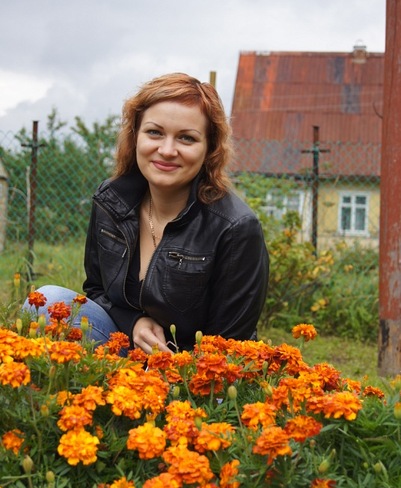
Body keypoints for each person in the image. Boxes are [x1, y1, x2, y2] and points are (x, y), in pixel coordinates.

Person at [31, 73, 269, 353]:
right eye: (155, 132)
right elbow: (96, 290)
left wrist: (171, 372)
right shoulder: (111, 201)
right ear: (135, 136)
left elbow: (230, 345)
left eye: (187, 138)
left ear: (210, 149)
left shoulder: (236, 228)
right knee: (47, 300)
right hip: (124, 344)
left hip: (190, 368)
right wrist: (134, 322)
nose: (167, 150)